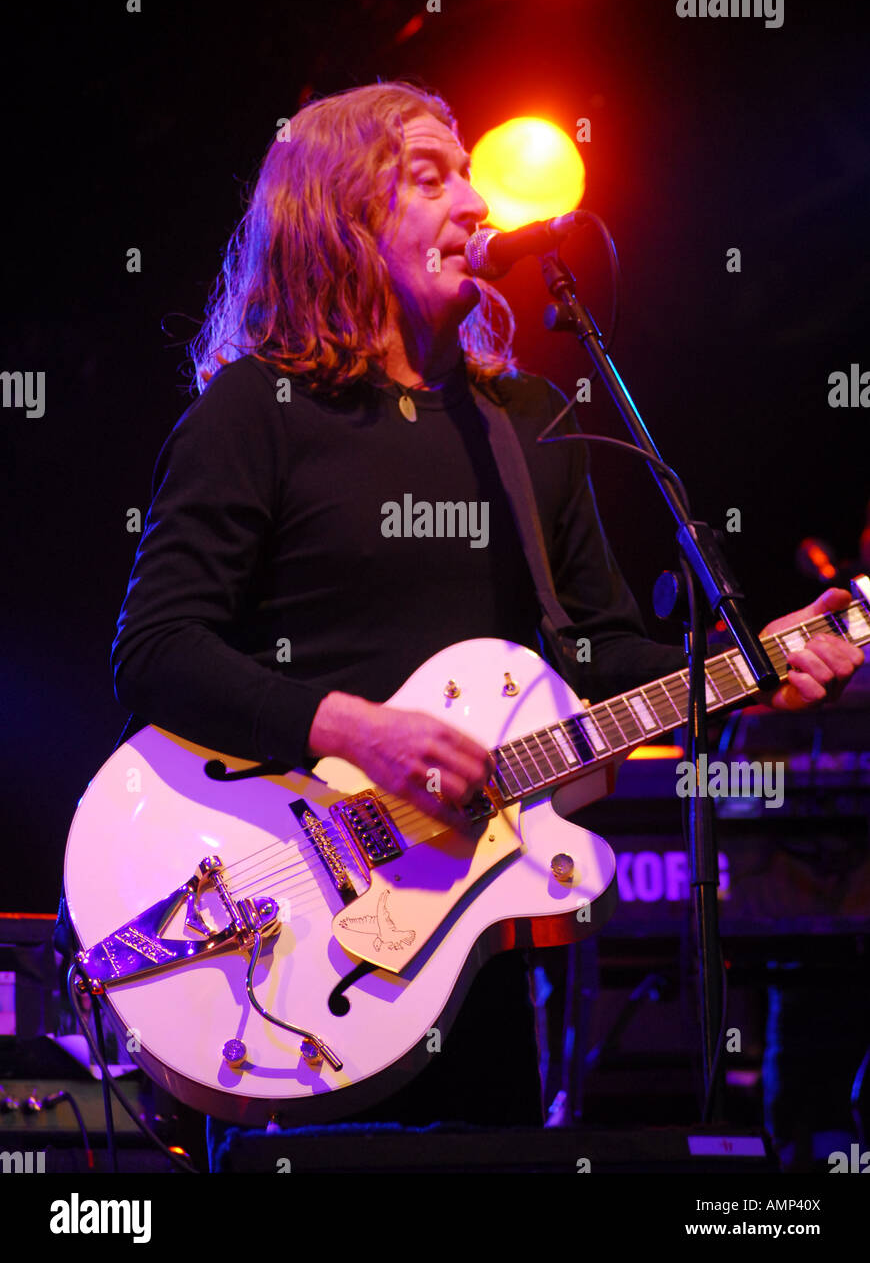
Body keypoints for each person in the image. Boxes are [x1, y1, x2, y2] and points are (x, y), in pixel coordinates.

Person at [107, 80, 863, 1157]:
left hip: (471, 952)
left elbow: (599, 655)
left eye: (468, 170)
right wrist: (353, 727)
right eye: (432, 175)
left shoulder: (529, 427)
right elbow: (156, 652)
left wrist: (748, 661)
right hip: (291, 941)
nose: (475, 201)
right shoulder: (255, 414)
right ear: (339, 218)